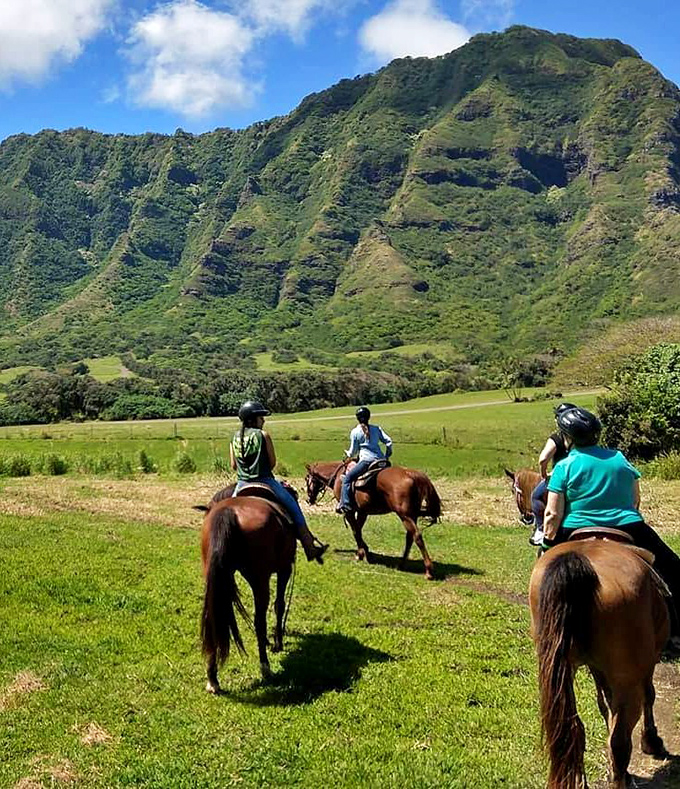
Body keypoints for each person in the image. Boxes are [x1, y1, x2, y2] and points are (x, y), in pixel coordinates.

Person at [542, 405, 680, 644]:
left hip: (575, 527)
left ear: (567, 438)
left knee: (546, 575)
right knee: (675, 571)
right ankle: (676, 631)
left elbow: (552, 514)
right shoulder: (619, 458)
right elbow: (635, 499)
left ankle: (546, 622)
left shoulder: (563, 467)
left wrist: (546, 542)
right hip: (628, 525)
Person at [230, 400, 328, 563]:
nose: (264, 420)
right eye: (261, 417)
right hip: (266, 481)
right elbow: (272, 463)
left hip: (241, 484)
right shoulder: (263, 435)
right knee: (293, 507)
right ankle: (309, 546)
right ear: (253, 419)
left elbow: (234, 466)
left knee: (226, 513)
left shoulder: (234, 438)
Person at [528, 402, 577, 546]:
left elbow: (543, 459)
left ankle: (541, 529)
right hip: (581, 474)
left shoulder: (557, 438)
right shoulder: (582, 436)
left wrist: (544, 475)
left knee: (536, 497)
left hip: (560, 477)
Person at [336, 406, 393, 515]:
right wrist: (387, 455)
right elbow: (389, 442)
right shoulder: (377, 429)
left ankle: (345, 504)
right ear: (369, 417)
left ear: (357, 418)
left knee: (347, 479)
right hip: (381, 461)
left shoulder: (355, 432)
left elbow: (353, 452)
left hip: (366, 461)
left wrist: (347, 454)